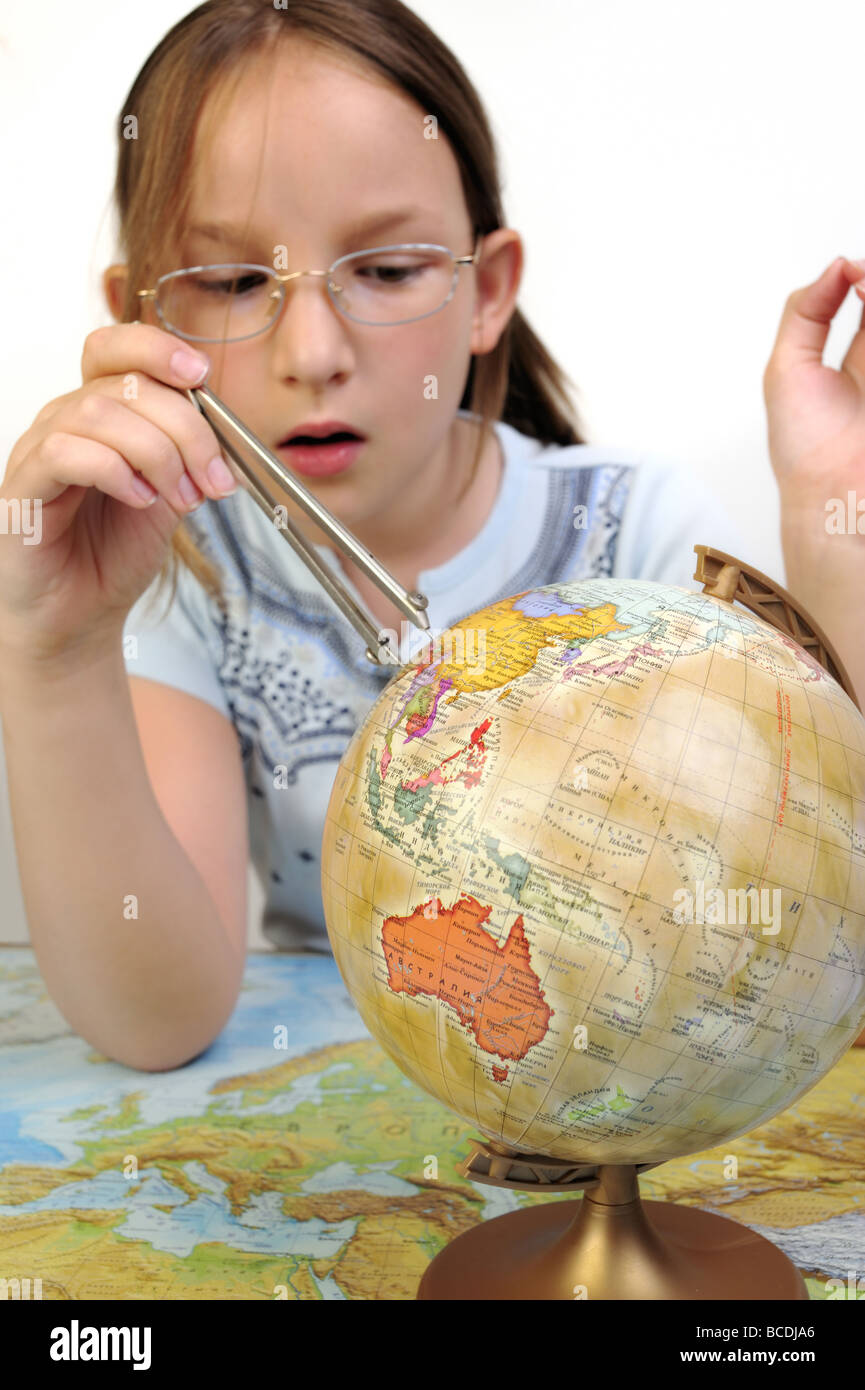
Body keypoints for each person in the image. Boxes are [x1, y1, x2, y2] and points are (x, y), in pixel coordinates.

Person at [1, 0, 863, 1069]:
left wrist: (841, 540)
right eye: (230, 283)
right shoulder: (171, 575)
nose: (310, 351)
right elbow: (157, 1020)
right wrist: (56, 647)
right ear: (142, 321)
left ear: (486, 291)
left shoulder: (641, 537)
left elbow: (815, 920)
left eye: (388, 269)